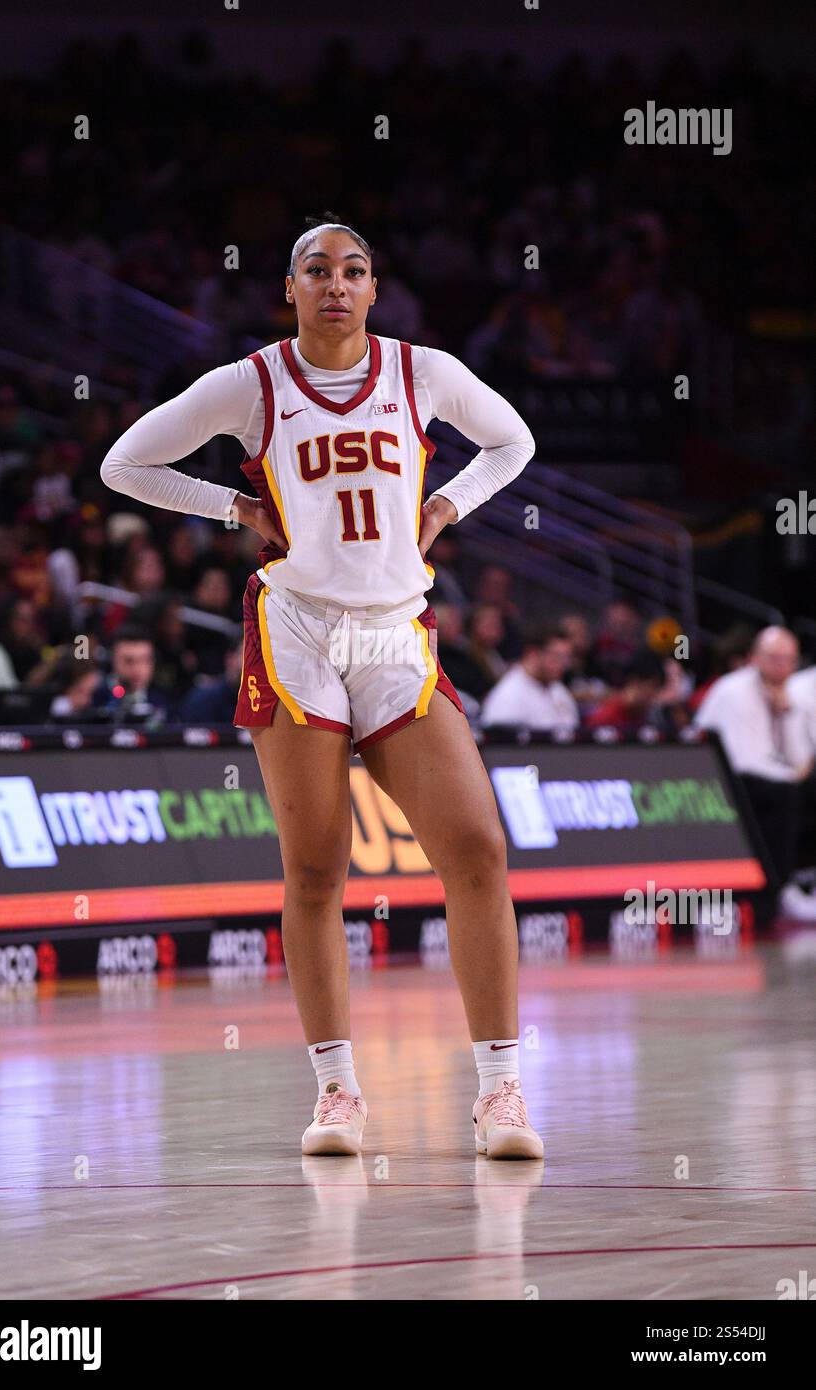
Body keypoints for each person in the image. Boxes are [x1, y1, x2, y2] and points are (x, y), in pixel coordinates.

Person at [101, 217, 543, 1161]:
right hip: (294, 630)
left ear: (375, 290)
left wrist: (444, 506)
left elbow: (512, 443)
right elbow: (125, 461)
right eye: (316, 270)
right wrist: (232, 504)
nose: (336, 284)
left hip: (395, 637)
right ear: (289, 290)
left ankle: (500, 1091)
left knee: (476, 848)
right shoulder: (250, 384)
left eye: (354, 270)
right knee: (315, 870)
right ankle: (337, 1089)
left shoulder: (423, 373)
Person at [693, 627, 813, 892]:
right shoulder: (736, 690)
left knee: (799, 789)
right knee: (785, 794)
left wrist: (787, 713)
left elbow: (800, 758)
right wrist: (793, 777)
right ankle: (782, 887)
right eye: (774, 658)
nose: (782, 667)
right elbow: (746, 761)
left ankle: (804, 877)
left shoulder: (789, 692)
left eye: (789, 660)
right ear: (755, 657)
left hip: (763, 777)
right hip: (715, 780)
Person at [479, 624, 578, 733]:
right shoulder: (509, 694)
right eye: (557, 656)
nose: (563, 665)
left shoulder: (559, 690)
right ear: (532, 654)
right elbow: (501, 746)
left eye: (567, 658)